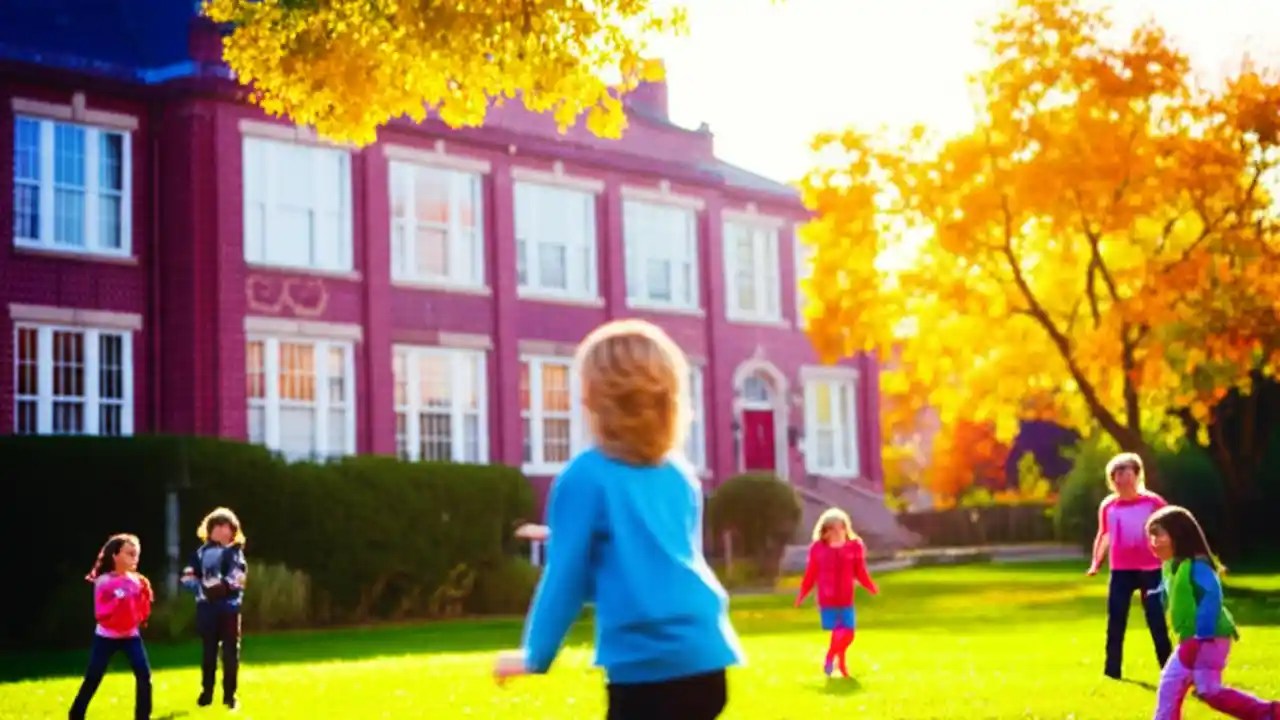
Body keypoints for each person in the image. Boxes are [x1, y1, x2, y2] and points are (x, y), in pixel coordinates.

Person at [493, 319, 743, 720]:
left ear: (595, 401)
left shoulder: (584, 477)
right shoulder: (679, 476)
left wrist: (534, 655)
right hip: (707, 659)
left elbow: (565, 579)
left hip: (647, 669)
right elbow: (652, 561)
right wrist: (570, 537)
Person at [1145, 506, 1278, 720]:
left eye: (1158, 535)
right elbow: (1175, 588)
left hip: (1208, 638)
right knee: (1207, 690)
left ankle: (1269, 712)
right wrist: (1157, 595)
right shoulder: (1171, 565)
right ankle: (1269, 713)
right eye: (1150, 536)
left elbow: (1211, 597)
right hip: (1196, 639)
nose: (1153, 541)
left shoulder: (1198, 566)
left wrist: (1201, 636)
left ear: (1179, 534)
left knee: (1175, 683)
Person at [1087, 451, 1172, 679]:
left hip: (1151, 571)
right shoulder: (1108, 506)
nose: (1119, 477)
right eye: (1115, 473)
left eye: (1124, 472)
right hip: (1121, 572)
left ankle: (1169, 671)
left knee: (1156, 620)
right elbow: (1104, 535)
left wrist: (1170, 556)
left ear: (1136, 474)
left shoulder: (1153, 503)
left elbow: (1170, 530)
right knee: (1116, 621)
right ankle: (1112, 672)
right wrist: (1096, 563)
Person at [68, 533, 154, 720]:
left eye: (136, 554)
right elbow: (100, 613)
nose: (134, 558)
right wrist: (117, 599)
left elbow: (140, 607)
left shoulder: (137, 581)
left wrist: (140, 612)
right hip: (106, 637)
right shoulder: (103, 582)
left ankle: (143, 716)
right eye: (129, 553)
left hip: (131, 636)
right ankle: (76, 714)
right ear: (115, 555)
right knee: (93, 676)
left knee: (144, 676)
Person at [795, 507, 879, 677]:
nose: (837, 531)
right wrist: (802, 594)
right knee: (839, 632)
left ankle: (831, 657)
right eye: (832, 528)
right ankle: (841, 665)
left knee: (848, 633)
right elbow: (811, 573)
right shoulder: (818, 548)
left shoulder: (855, 546)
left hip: (846, 598)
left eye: (840, 527)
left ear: (845, 527)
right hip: (827, 599)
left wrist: (870, 586)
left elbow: (860, 571)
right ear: (825, 530)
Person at [181, 507, 248, 710]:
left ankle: (230, 695)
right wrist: (202, 587)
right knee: (208, 652)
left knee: (230, 653)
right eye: (217, 526)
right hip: (206, 608)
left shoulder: (236, 553)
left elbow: (239, 577)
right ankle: (206, 693)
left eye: (226, 526)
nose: (221, 530)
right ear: (209, 530)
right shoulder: (199, 554)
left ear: (233, 530)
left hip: (229, 608)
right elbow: (187, 576)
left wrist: (223, 587)